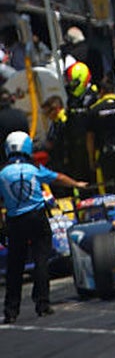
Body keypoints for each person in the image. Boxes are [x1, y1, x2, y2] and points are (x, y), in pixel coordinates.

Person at [1, 131, 87, 323]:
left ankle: (11, 310)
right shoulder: (34, 169)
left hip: (15, 221)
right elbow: (58, 178)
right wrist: (78, 184)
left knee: (15, 267)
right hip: (37, 218)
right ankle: (42, 303)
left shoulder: (3, 173)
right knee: (41, 260)